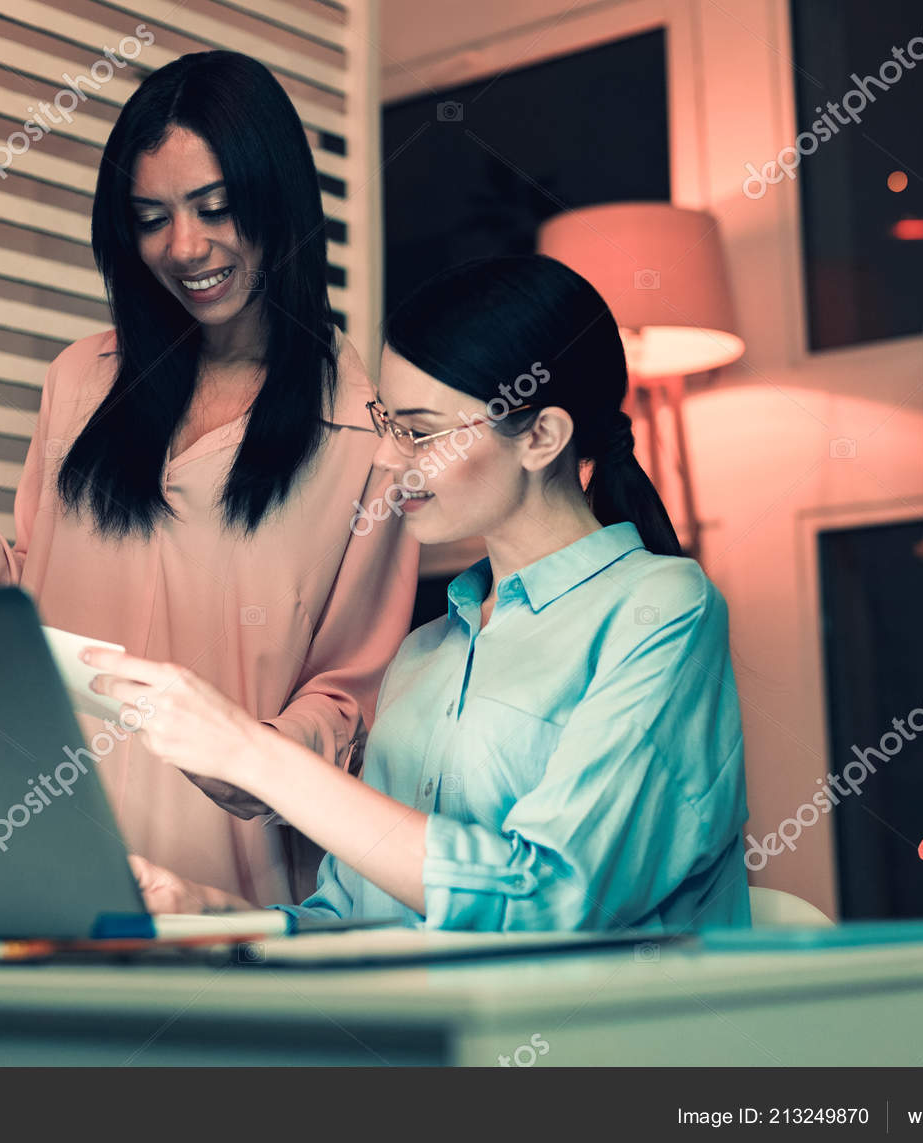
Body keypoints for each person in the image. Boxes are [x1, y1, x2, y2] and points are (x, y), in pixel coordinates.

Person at [0, 51, 418, 906]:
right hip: (50, 849)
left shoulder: (364, 435)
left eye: (216, 208)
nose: (185, 247)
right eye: (152, 217)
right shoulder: (82, 380)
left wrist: (259, 757)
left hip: (235, 882)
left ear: (278, 200)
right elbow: (38, 620)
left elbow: (353, 693)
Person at [93, 254, 753, 931]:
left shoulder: (663, 610)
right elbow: (358, 921)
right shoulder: (422, 655)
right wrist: (208, 915)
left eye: (419, 432)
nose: (386, 459)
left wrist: (253, 753)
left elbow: (548, 897)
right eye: (386, 422)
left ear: (542, 436)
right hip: (433, 1030)